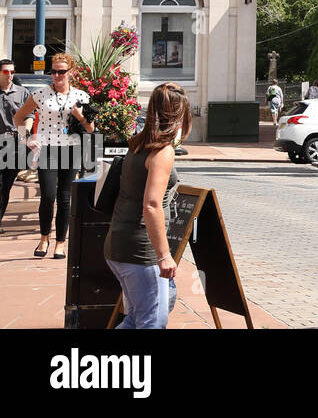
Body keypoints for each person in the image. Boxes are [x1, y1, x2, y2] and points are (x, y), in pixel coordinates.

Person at [104, 82, 190, 329]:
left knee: (134, 319)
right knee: (152, 323)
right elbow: (152, 205)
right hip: (141, 252)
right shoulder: (163, 151)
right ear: (179, 115)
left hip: (119, 245)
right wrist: (164, 256)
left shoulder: (138, 143)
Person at [14, 53, 93, 259]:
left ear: (71, 73)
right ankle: (43, 237)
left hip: (71, 149)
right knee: (48, 196)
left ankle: (60, 242)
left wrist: (79, 116)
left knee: (65, 197)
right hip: (48, 148)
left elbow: (91, 128)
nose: (56, 75)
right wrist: (27, 139)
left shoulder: (81, 96)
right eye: (54, 71)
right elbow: (19, 117)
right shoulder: (40, 94)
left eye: (61, 71)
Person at [0, 59, 30, 230]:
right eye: (6, 72)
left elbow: (30, 115)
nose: (10, 75)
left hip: (14, 144)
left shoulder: (22, 93)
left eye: (12, 72)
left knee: (5, 186)